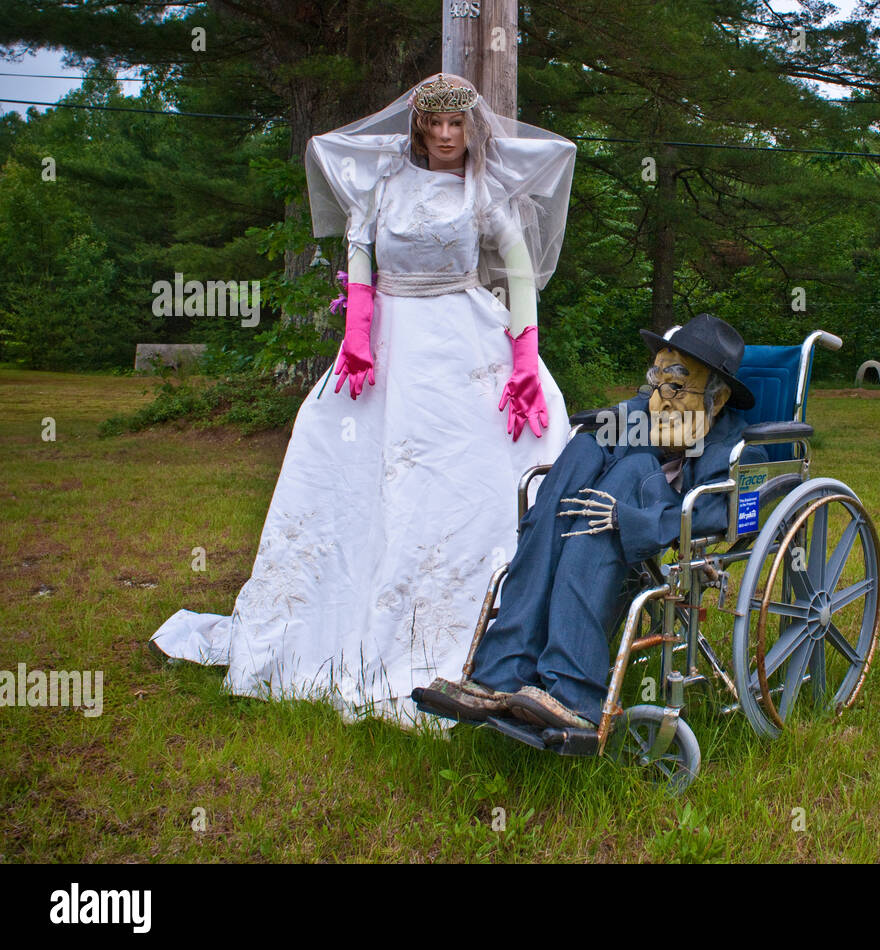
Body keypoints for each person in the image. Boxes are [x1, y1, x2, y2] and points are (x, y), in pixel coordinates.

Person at [150, 74, 576, 725]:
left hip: (464, 340)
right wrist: (355, 336)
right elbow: (361, 262)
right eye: (432, 124)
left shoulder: (485, 191)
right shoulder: (380, 189)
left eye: (455, 125)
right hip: (386, 348)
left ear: (471, 128)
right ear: (417, 126)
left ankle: (485, 636)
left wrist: (522, 361)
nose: (442, 136)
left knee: (464, 482)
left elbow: (518, 270)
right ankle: (329, 626)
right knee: (356, 474)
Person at [414, 314, 766, 730]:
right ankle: (502, 671)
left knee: (631, 470)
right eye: (655, 381)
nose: (660, 399)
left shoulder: (739, 450)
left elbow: (717, 514)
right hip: (602, 505)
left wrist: (630, 519)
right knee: (583, 448)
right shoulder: (647, 414)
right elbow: (609, 427)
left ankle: (573, 689)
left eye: (676, 386)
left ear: (718, 398)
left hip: (646, 515)